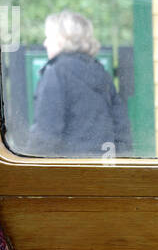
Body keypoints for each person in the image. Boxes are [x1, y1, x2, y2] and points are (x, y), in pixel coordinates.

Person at [26, 11, 132, 157]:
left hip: (70, 170)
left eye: (49, 37)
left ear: (63, 38)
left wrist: (28, 167)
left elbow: (46, 133)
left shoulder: (56, 73)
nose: (45, 43)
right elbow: (122, 131)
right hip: (103, 168)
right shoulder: (101, 73)